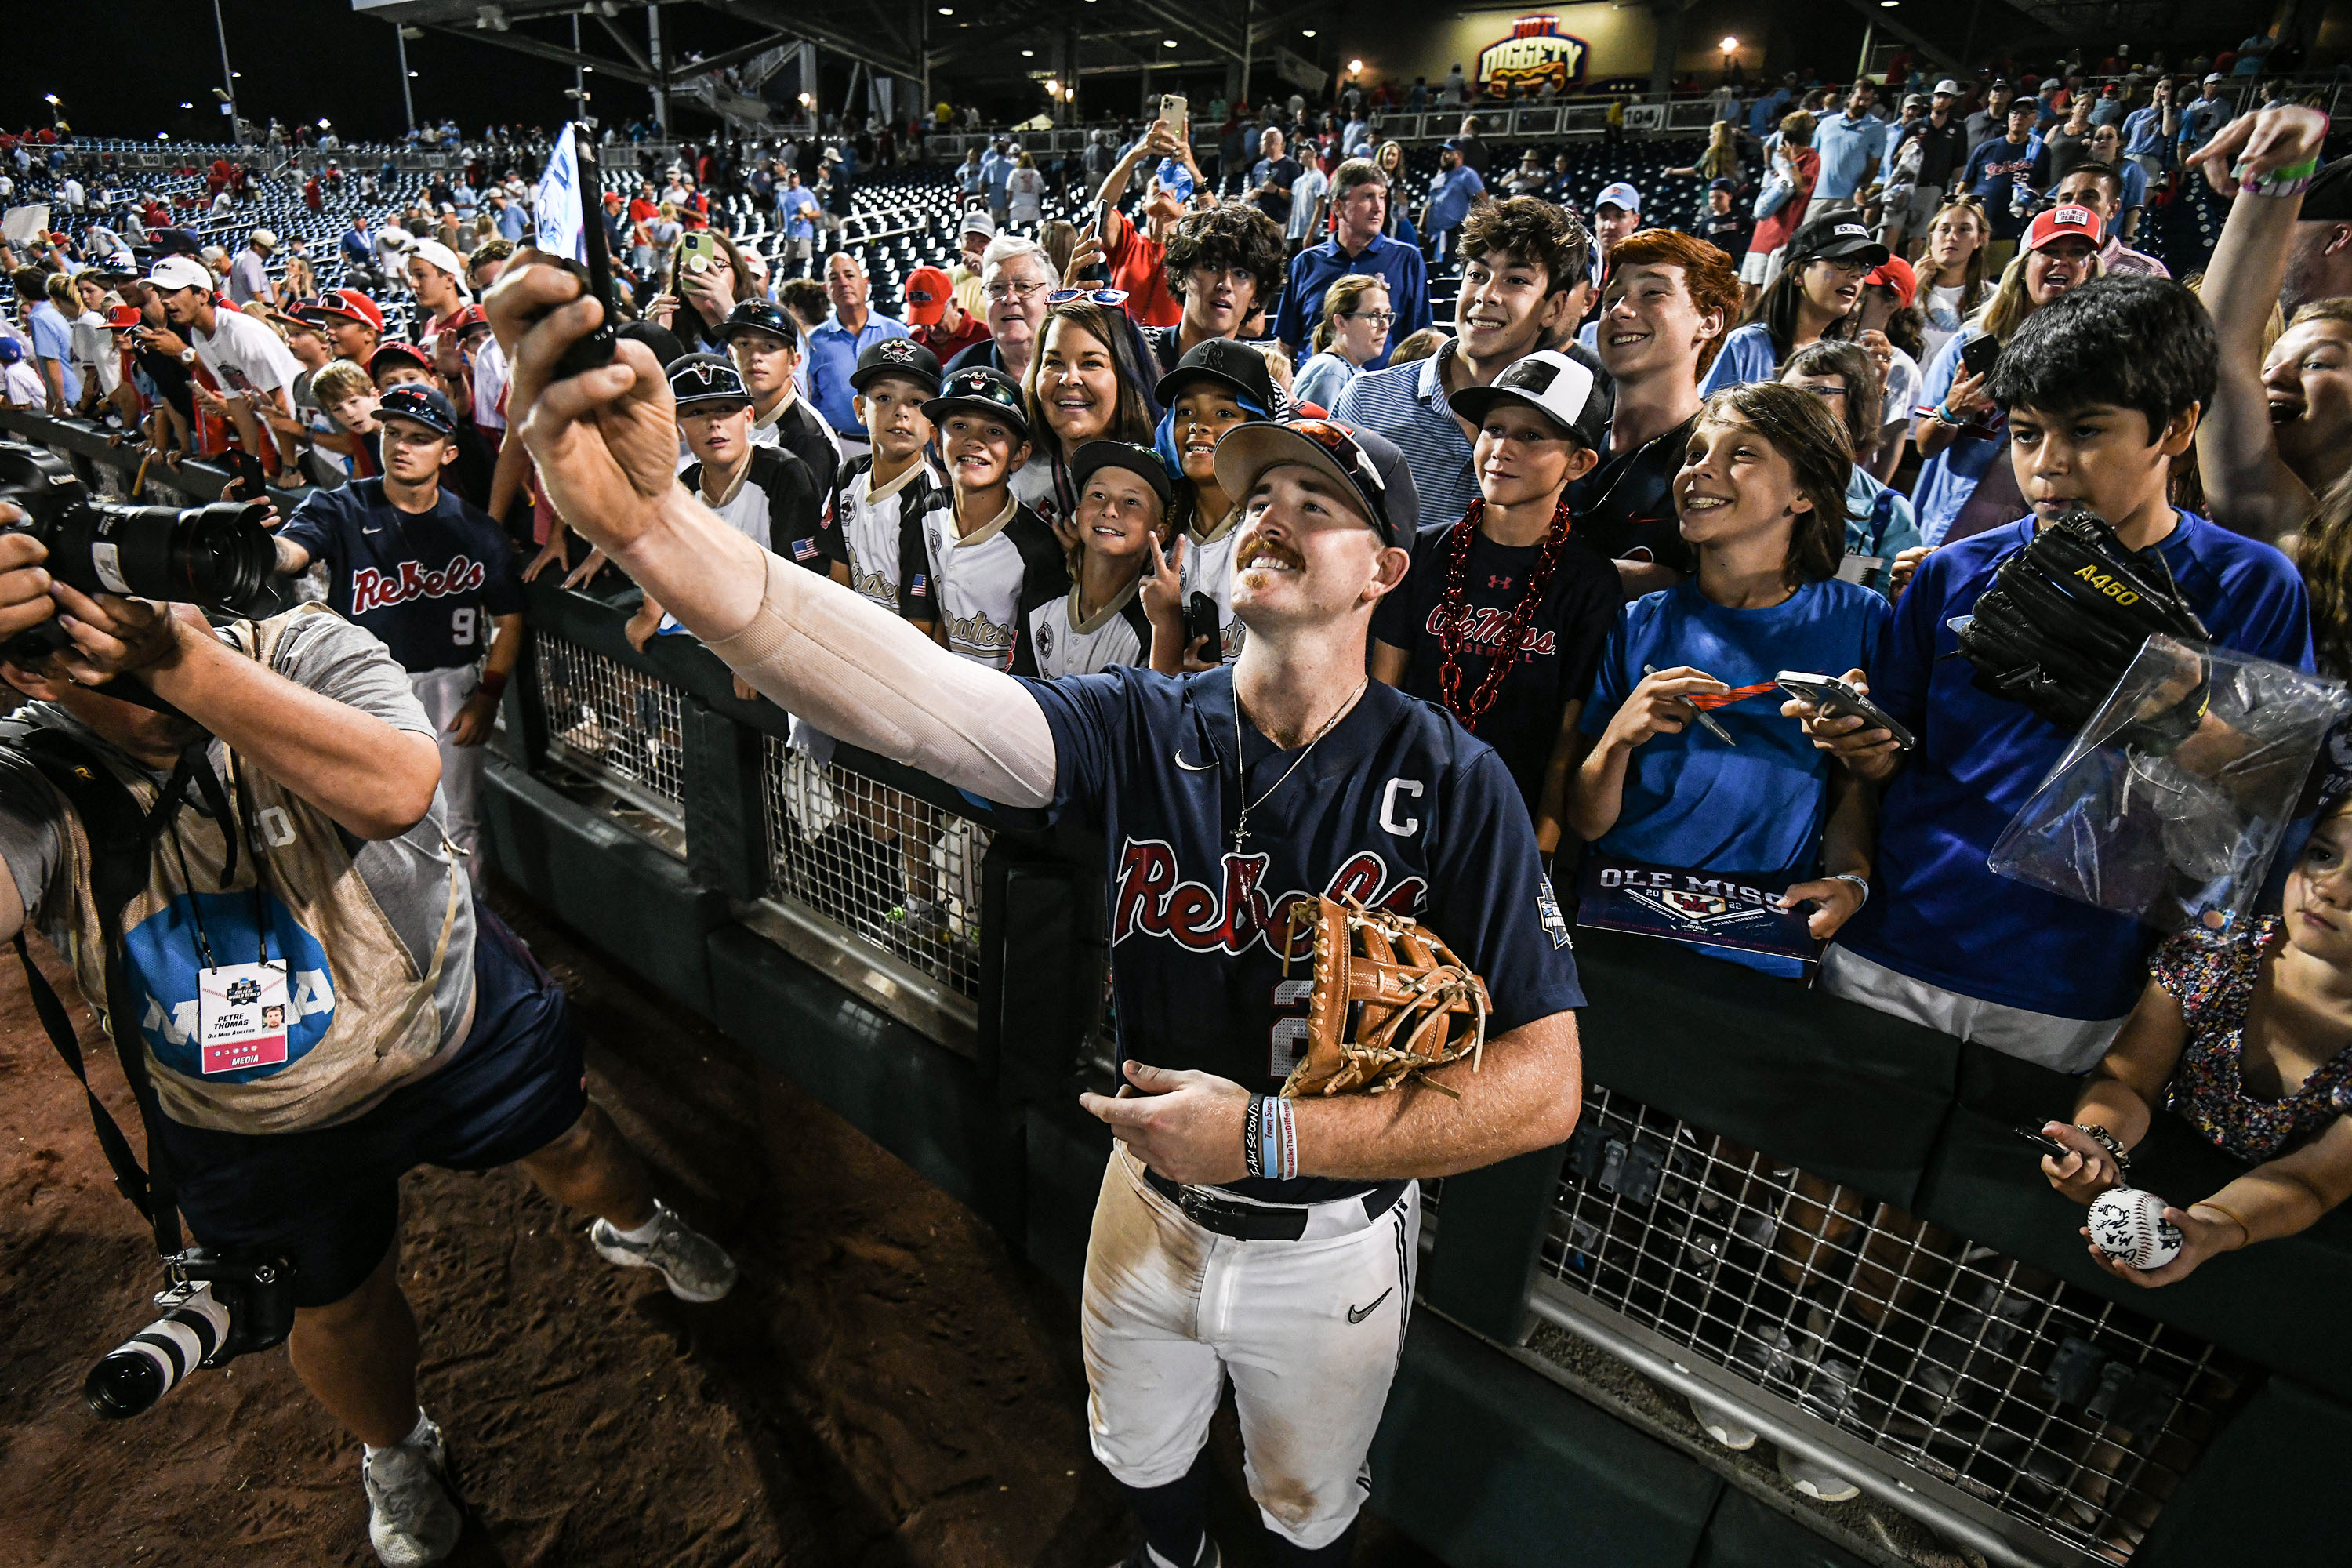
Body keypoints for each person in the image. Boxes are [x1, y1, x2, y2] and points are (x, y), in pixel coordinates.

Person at [486, 254, 1584, 1568]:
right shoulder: (1139, 721)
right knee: (1136, 1448)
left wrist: (1274, 1139)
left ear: (1384, 571)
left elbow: (1545, 1085)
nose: (1275, 513)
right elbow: (907, 695)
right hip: (1149, 1192)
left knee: (1302, 1503)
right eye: (1258, 494)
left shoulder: (1455, 783)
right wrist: (659, 529)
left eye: (1321, 500)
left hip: (1329, 1243)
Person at [0, 485, 735, 1568]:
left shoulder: (295, 643)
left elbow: (397, 786)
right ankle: (396, 1444)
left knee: (574, 1138)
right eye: (84, 631)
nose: (136, 621)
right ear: (24, 670)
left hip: (446, 1013)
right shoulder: (31, 765)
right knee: (336, 1306)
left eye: (151, 596)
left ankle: (638, 1225)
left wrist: (175, 661)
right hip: (258, 1111)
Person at [1804, 277, 2314, 1071]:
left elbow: (2272, 798)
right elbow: (1884, 768)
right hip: (1900, 939)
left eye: (2085, 431)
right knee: (1825, 1186)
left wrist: (2171, 711)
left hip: (2075, 979)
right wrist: (1863, 744)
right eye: (2027, 433)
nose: (2048, 466)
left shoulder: (2252, 586)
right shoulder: (1952, 574)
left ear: (2177, 426)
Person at [1570, 379, 1889, 979]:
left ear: (1802, 493)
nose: (1700, 471)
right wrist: (1617, 738)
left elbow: (1857, 785)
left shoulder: (1861, 620)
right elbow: (1586, 820)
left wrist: (1852, 880)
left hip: (1760, 936)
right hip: (1619, 925)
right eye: (1695, 454)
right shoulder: (1638, 622)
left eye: (1741, 453)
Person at [2036, 788, 2352, 1287]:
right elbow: (2129, 1081)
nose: (2329, 887)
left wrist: (2212, 1227)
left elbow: (2309, 1182)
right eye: (2322, 853)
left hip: (2267, 1241)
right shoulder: (2217, 949)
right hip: (2148, 1178)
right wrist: (2097, 1145)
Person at [1370, 351, 1620, 851]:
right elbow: (1383, 693)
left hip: (1510, 821)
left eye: (1531, 436)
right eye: (1494, 428)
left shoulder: (1590, 581)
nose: (1502, 448)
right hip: (1401, 809)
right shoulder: (1423, 551)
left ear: (1579, 461)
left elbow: (1569, 740)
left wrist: (1542, 850)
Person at [271, 383, 521, 862]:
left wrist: (489, 695)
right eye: (393, 432)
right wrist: (259, 548)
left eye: (419, 438)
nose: (401, 446)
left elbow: (509, 619)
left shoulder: (477, 530)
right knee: (369, 820)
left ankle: (468, 935)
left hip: (451, 685)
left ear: (448, 452)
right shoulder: (341, 506)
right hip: (363, 685)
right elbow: (291, 552)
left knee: (458, 821)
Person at [1339, 198, 1595, 531]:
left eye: (1516, 280)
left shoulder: (1567, 428)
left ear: (1554, 307)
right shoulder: (1366, 400)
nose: (1486, 294)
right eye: (1477, 274)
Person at [1911, 204, 2103, 546]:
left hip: (2033, 533)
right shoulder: (1972, 342)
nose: (2063, 261)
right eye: (2049, 250)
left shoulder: (2097, 360)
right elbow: (1925, 445)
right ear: (2024, 264)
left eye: (2077, 253)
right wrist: (1952, 409)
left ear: (2090, 271)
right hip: (1951, 523)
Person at [629, 353, 838, 648]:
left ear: (748, 417)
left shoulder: (784, 474)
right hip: (710, 629)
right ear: (676, 427)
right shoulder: (684, 485)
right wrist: (651, 611)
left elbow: (802, 585)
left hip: (775, 638)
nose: (714, 423)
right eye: (696, 413)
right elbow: (662, 562)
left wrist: (757, 651)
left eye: (726, 409)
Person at [916, 365, 1065, 670]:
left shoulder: (1036, 548)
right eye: (959, 426)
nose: (974, 440)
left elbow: (1039, 659)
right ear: (936, 439)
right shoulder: (932, 510)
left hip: (1002, 702)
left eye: (994, 431)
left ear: (1020, 455)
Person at [1147, 340, 1281, 670]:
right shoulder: (1159, 532)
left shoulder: (1278, 533)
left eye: (1224, 413)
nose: (1198, 425)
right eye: (1186, 412)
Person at [148, 254, 305, 489]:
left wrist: (291, 466)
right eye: (161, 294)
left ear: (202, 294)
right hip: (288, 443)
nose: (165, 301)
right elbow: (238, 403)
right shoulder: (199, 335)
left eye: (173, 292)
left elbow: (278, 402)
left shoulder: (239, 331)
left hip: (308, 441)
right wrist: (252, 467)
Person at [1015, 441, 1166, 679]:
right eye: (1098, 495)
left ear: (1159, 532)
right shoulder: (1041, 593)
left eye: (1131, 501)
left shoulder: (1155, 621)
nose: (1110, 510)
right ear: (1078, 511)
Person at [1780, 339, 1922, 586]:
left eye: (1815, 390)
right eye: (1785, 392)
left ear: (1856, 402)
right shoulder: (1747, 481)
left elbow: (1886, 606)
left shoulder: (1887, 513)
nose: (1794, 403)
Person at [830, 339, 951, 628]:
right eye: (884, 398)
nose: (901, 411)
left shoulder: (930, 504)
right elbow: (839, 575)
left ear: (933, 424)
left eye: (916, 402)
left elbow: (919, 624)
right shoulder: (849, 474)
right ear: (860, 409)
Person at [1014, 299, 1160, 535]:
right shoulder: (1014, 482)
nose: (1069, 378)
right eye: (1054, 362)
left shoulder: (1166, 486)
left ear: (1126, 376)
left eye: (1091, 363)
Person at [1276, 158, 1430, 370]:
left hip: (1380, 396)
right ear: (1338, 207)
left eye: (1382, 197)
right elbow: (1286, 344)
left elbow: (1420, 343)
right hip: (1314, 395)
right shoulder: (1306, 263)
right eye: (1368, 197)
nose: (1378, 208)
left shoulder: (1407, 259)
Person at [1703, 216, 1885, 394]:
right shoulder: (1745, 346)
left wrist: (1875, 388)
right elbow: (1705, 422)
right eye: (1843, 260)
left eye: (1864, 265)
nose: (1857, 274)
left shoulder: (1838, 363)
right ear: (1797, 272)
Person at [713, 298, 841, 504]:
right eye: (744, 344)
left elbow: (802, 530)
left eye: (769, 346)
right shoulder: (732, 417)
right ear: (731, 354)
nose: (755, 356)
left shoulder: (808, 438)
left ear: (793, 362)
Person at [1138, 205, 1288, 378]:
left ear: (1256, 296)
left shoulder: (1263, 390)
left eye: (1240, 274)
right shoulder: (1133, 351)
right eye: (1212, 267)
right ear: (1181, 277)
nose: (1225, 284)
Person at [1084, 119, 1194, 330]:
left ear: (1185, 208)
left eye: (1172, 185)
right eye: (1157, 184)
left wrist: (1189, 163)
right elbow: (1102, 208)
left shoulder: (1191, 251)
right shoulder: (1128, 241)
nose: (1164, 187)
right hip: (1127, 351)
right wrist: (1136, 154)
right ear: (1143, 202)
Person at [801, 252, 911, 454]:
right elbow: (810, 400)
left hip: (895, 443)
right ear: (826, 290)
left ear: (865, 284)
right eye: (834, 278)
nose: (843, 283)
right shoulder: (812, 342)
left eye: (850, 275)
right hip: (839, 447)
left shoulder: (898, 333)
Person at [948, 234, 1060, 384]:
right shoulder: (961, 373)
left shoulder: (1076, 366)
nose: (1009, 298)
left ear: (1052, 296)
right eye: (997, 288)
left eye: (1024, 286)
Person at [1959, 98, 2049, 274]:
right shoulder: (1987, 148)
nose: (2018, 118)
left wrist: (2029, 195)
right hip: (1976, 227)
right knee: (1966, 275)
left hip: (2008, 228)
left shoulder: (2040, 151)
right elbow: (1964, 184)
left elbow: (2042, 186)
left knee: (1994, 279)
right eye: (2015, 113)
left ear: (2034, 119)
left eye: (2025, 114)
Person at [1880, 80, 1970, 255]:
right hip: (1905, 186)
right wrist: (1904, 149)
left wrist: (1954, 194)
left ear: (1952, 101)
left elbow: (1959, 164)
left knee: (1919, 241)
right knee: (1891, 234)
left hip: (1932, 188)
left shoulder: (1958, 129)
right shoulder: (1915, 125)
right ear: (1932, 99)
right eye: (1939, 96)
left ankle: (1913, 280)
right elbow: (1894, 159)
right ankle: (1882, 277)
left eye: (1946, 97)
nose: (1942, 100)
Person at [1741, 112, 1819, 293]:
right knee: (1746, 292)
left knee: (1763, 293)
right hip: (1762, 231)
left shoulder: (1811, 158)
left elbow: (1802, 190)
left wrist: (1791, 163)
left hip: (1779, 236)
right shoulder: (1781, 159)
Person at [2051, 160, 2169, 278]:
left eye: (2088, 198)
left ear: (2112, 209)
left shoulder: (2145, 272)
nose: (2074, 206)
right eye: (2066, 199)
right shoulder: (2039, 263)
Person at [1291, 275, 1392, 412]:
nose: (1385, 326)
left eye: (1386, 315)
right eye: (1374, 315)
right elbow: (1314, 433)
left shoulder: (1343, 369)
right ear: (1341, 323)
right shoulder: (1331, 371)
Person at [1914, 198, 1991, 364]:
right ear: (1931, 237)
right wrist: (1910, 289)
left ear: (1980, 239)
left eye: (1964, 230)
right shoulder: (1907, 285)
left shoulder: (1993, 297)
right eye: (1944, 229)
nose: (1952, 237)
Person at [1810, 80, 1889, 221]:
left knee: (1833, 241)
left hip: (1846, 198)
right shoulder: (1827, 123)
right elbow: (1812, 157)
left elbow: (1874, 166)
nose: (1862, 103)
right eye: (1859, 98)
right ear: (1850, 97)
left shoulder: (1877, 127)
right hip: (1816, 194)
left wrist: (1861, 189)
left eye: (1867, 100)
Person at [900, 265, 989, 365]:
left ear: (954, 304)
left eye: (936, 319)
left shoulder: (986, 338)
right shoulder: (916, 341)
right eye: (923, 322)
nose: (930, 330)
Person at [1421, 141, 1487, 263]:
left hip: (1453, 236)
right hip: (1433, 236)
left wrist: (1473, 227)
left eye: (1448, 152)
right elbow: (1430, 202)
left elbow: (1483, 200)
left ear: (1459, 155)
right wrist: (1422, 226)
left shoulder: (1467, 174)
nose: (1444, 156)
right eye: (1443, 153)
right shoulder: (1440, 176)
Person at [1247, 128, 1304, 234]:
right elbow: (1248, 193)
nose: (1260, 144)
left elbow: (1297, 198)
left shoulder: (1291, 166)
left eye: (1263, 141)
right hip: (1259, 223)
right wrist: (1252, 194)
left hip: (1279, 224)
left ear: (1273, 142)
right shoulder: (1258, 166)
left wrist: (1277, 190)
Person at [1693, 179, 1753, 263]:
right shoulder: (1706, 222)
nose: (1714, 201)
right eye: (1711, 198)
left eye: (1719, 197)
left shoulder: (1739, 216)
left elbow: (1752, 231)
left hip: (1736, 262)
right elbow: (1697, 245)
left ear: (1730, 196)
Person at [228, 227, 278, 309]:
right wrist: (271, 312)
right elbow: (257, 294)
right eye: (268, 250)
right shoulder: (251, 262)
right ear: (256, 246)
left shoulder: (240, 257)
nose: (271, 254)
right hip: (256, 312)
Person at [1007, 152, 1047, 229]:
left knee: (1016, 232)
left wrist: (1008, 206)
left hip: (1017, 207)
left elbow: (1009, 192)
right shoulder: (1036, 174)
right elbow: (1042, 191)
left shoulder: (1014, 173)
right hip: (1033, 206)